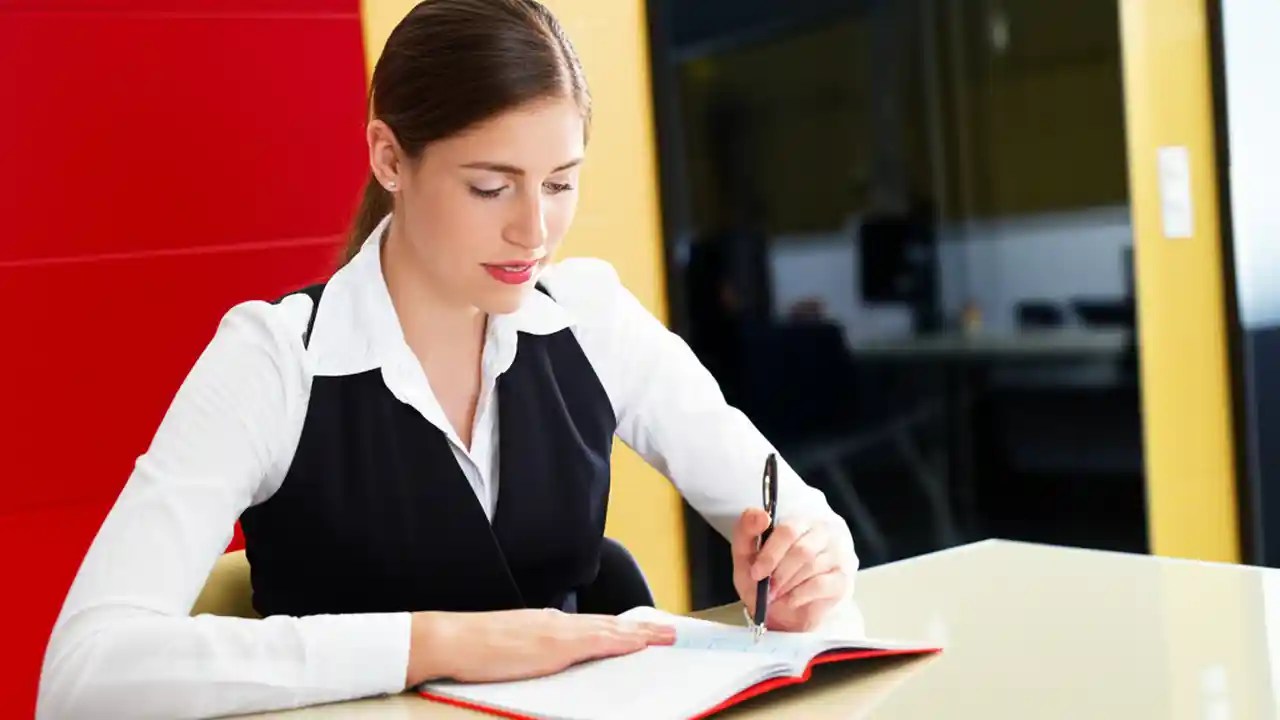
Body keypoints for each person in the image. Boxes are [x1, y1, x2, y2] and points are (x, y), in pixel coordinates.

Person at [36, 1, 859, 717]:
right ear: (389, 157)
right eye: (491, 187)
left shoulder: (591, 318)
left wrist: (805, 570)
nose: (533, 231)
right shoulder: (275, 360)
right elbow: (83, 674)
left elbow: (804, 522)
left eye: (561, 184)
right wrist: (437, 642)